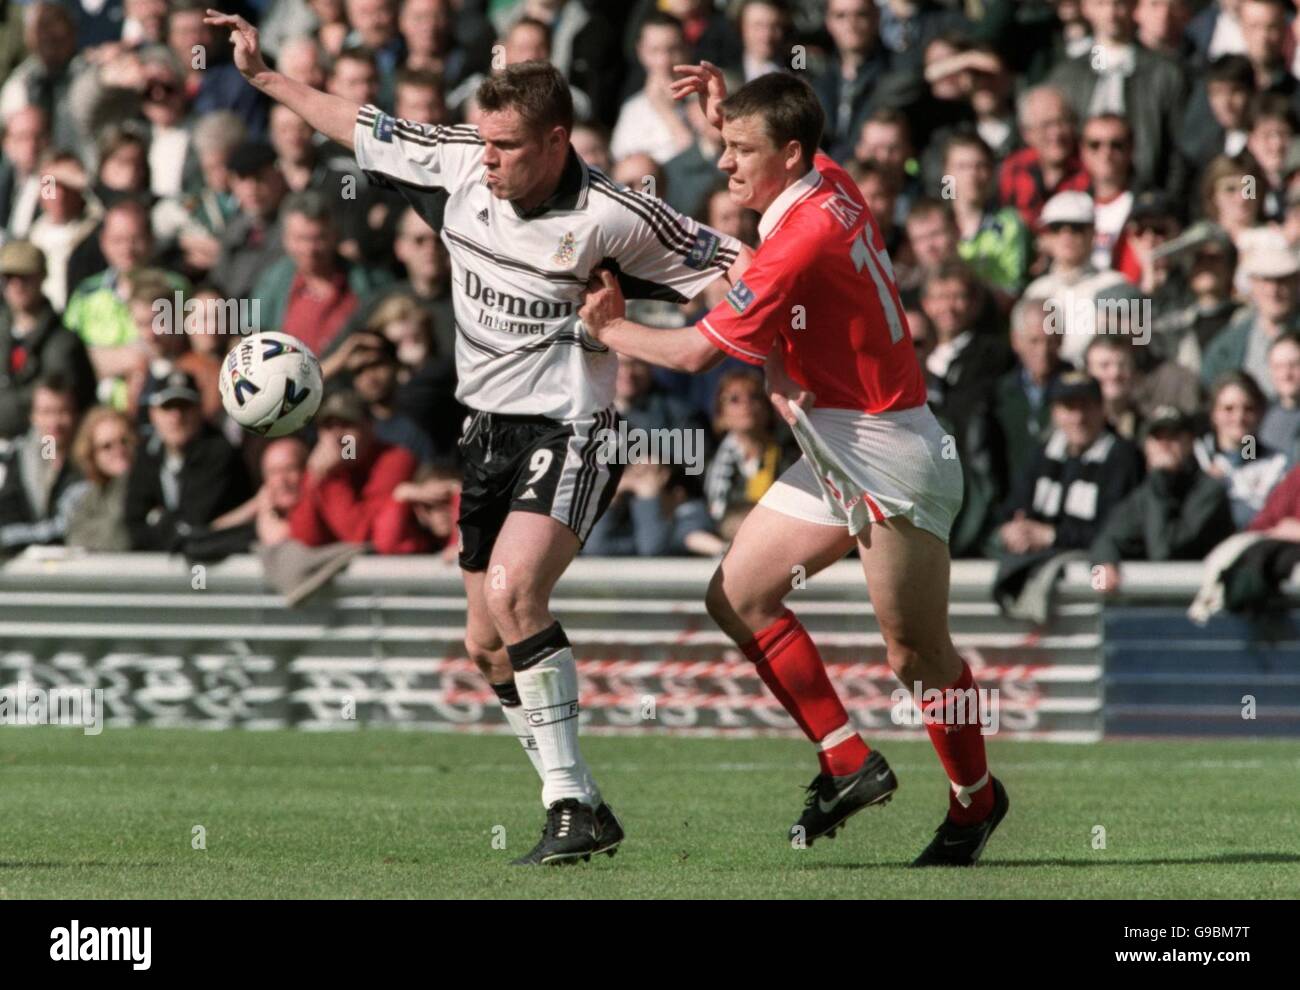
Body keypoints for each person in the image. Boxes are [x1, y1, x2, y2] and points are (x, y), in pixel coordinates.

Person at [206, 9, 749, 865]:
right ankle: (578, 801)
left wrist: (771, 362)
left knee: (513, 590)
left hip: (573, 427)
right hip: (485, 431)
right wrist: (266, 77)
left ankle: (569, 800)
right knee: (484, 642)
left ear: (556, 141)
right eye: (483, 141)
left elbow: (738, 269)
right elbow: (359, 123)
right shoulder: (460, 162)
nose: (484, 157)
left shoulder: (615, 216)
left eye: (504, 146)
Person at [580, 66, 1009, 866]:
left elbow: (690, 354)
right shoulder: (824, 179)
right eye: (721, 145)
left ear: (787, 153)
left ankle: (976, 802)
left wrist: (610, 329)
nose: (724, 164)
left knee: (915, 655)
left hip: (891, 455)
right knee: (738, 595)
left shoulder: (798, 241)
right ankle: (847, 759)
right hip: (838, 440)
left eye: (740, 150)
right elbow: (786, 135)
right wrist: (727, 108)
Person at [1090, 406, 1236, 593]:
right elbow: (1106, 539)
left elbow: (1165, 550)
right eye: (1158, 438)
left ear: (1190, 442)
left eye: (1174, 437)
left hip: (1203, 601)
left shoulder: (1209, 490)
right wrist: (1103, 568)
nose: (1164, 445)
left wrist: (1160, 479)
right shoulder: (1146, 491)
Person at [124, 367, 253, 551]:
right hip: (158, 570)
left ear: (200, 410)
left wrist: (159, 519)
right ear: (153, 414)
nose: (176, 417)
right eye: (168, 407)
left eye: (185, 406)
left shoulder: (220, 452)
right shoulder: (146, 454)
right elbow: (133, 523)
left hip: (216, 569)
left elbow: (195, 520)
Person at [66, 406, 137, 552]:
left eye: (124, 441)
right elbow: (75, 540)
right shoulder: (88, 497)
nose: (119, 450)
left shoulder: (148, 487)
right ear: (92, 455)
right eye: (107, 446)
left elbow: (121, 539)